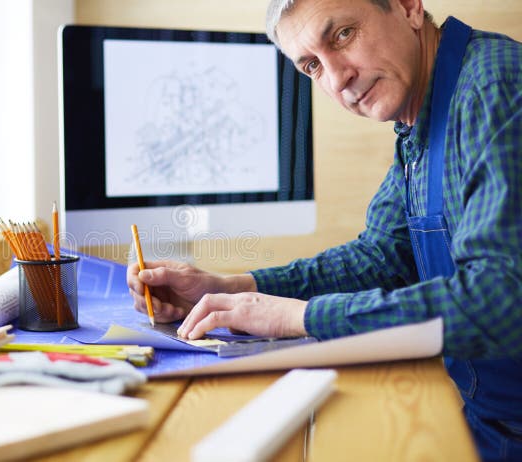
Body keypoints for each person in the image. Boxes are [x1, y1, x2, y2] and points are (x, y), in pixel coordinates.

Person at [126, 0, 522, 459]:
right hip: (489, 422)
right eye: (312, 65)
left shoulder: (495, 89)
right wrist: (231, 288)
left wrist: (298, 317)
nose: (337, 80)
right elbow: (381, 259)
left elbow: (501, 297)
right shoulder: (424, 115)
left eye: (343, 35)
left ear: (409, 7)